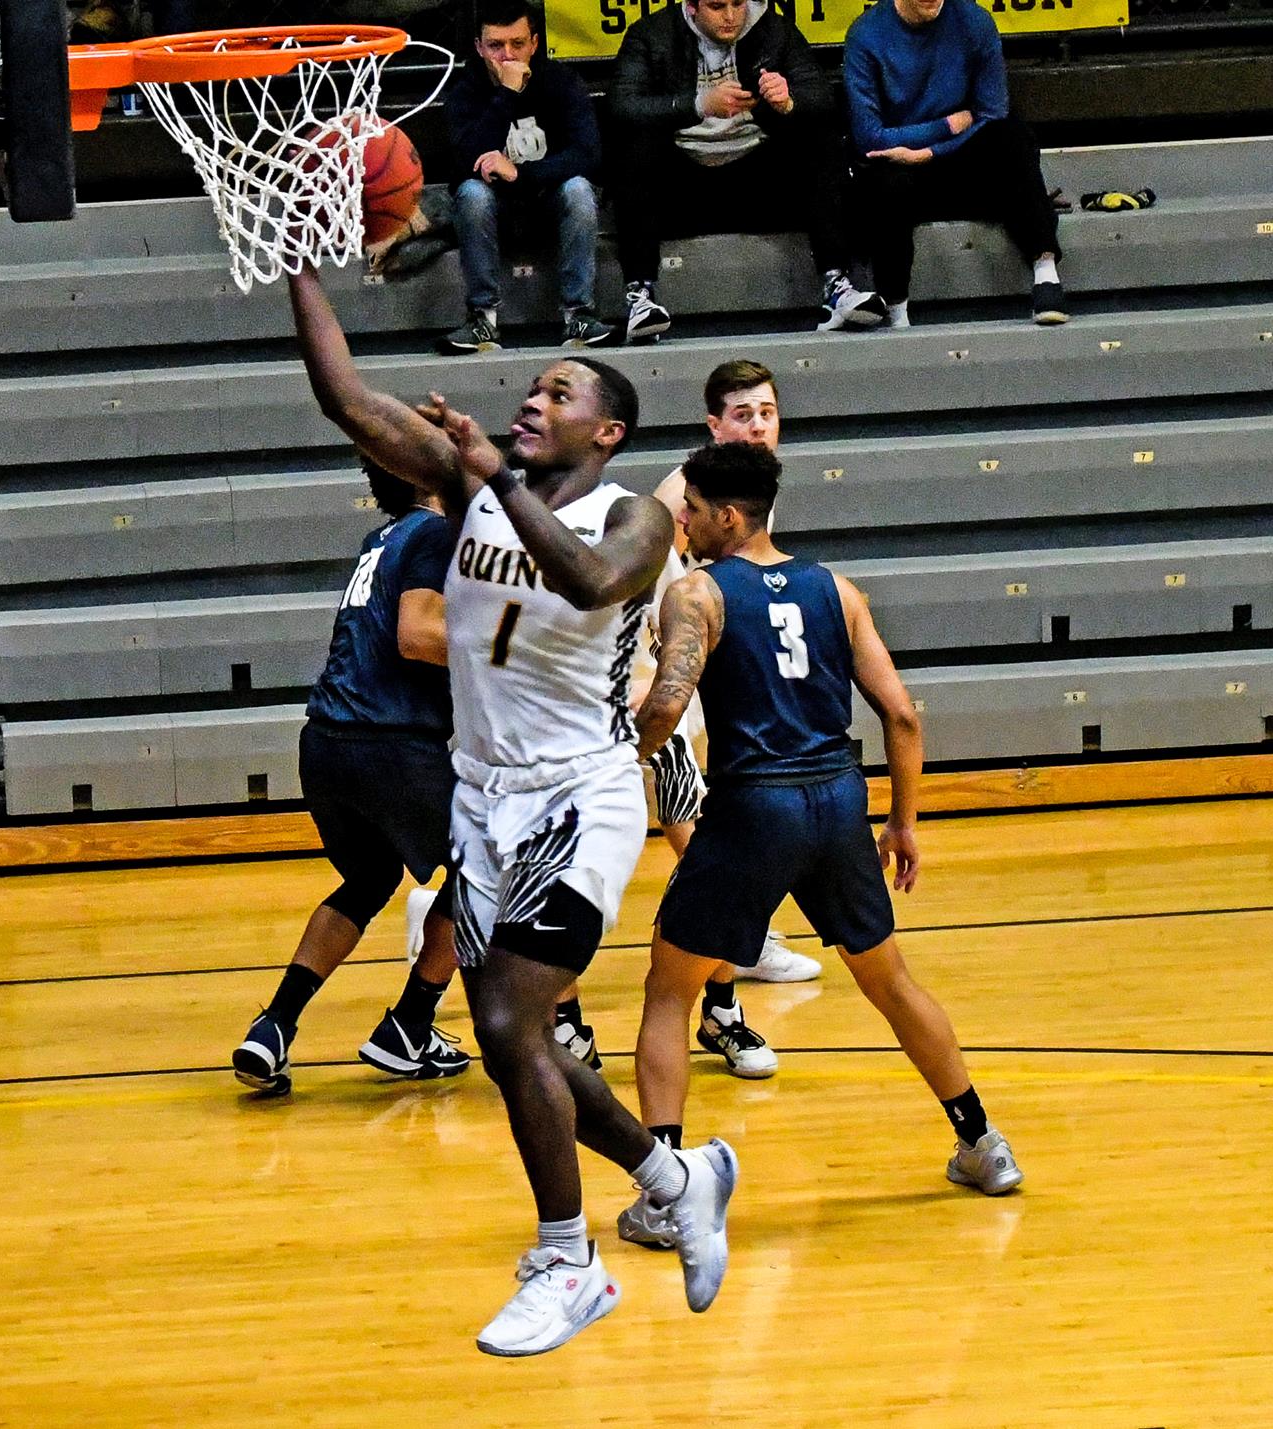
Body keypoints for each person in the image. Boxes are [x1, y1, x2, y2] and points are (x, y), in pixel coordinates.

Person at [288, 265, 737, 1358]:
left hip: (579, 798)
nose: (532, 400)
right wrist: (297, 261)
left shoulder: (634, 519)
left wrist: (495, 478)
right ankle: (674, 1175)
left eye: (558, 391)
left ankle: (565, 1261)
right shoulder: (470, 481)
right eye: (530, 387)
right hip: (481, 798)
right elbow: (347, 398)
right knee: (517, 1041)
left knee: (499, 1021)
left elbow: (587, 583)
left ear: (608, 430)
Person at [621, 439, 1022, 1244]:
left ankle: (666, 1197)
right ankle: (984, 1143)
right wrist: (903, 821)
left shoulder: (697, 593)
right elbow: (902, 714)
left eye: (691, 512)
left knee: (670, 989)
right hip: (839, 801)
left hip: (755, 805)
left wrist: (613, 754)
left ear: (727, 516)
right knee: (890, 980)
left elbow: (666, 706)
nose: (683, 528)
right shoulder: (837, 591)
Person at [550, 359, 823, 1088]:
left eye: (767, 411)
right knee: (588, 859)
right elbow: (636, 583)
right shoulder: (680, 498)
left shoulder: (747, 493)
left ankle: (722, 1003)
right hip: (634, 701)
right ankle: (569, 1019)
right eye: (744, 414)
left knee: (706, 857)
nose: (759, 424)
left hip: (677, 698)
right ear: (713, 423)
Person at [232, 458, 471, 1095]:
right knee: (486, 868)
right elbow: (418, 636)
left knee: (368, 880)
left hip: (326, 743)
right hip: (389, 744)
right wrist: (516, 647)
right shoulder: (435, 533)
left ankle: (273, 1024)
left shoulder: (382, 539)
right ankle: (411, 1026)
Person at [607, 0, 886, 343]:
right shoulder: (651, 35)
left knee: (821, 141)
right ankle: (641, 295)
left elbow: (820, 96)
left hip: (754, 171)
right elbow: (621, 106)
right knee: (633, 150)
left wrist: (788, 101)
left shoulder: (772, 29)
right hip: (682, 178)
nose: (730, 16)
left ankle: (837, 286)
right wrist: (698, 105)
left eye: (739, 4)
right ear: (692, 7)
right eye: (717, 6)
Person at [843, 0, 1068, 328]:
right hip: (898, 166)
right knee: (885, 182)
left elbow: (992, 111)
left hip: (953, 160)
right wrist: (944, 127)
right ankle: (896, 310)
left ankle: (1046, 274)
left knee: (1012, 136)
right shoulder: (865, 34)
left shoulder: (974, 21)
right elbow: (868, 136)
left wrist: (930, 152)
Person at [438, 0, 613, 355]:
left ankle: (578, 313)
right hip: (493, 214)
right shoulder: (463, 94)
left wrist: (520, 173)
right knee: (472, 193)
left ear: (534, 43)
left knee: (579, 189)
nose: (507, 55)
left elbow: (588, 155)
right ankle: (482, 317)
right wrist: (506, 94)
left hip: (549, 204)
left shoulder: (561, 82)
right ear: (478, 47)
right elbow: (464, 165)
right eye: (496, 46)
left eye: (518, 44)